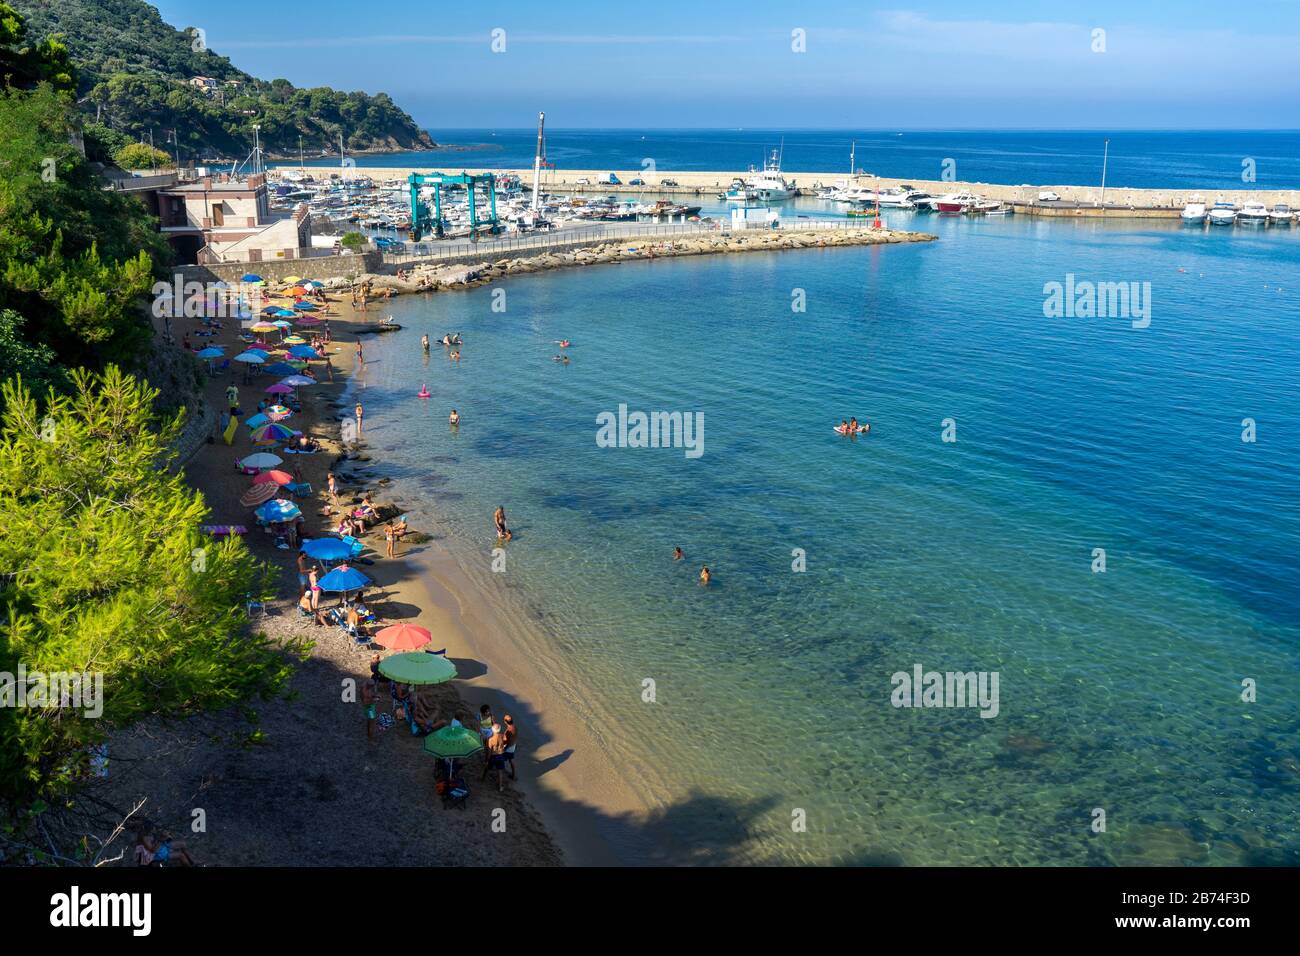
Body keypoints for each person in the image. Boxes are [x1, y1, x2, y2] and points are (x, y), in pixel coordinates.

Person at [482, 723, 508, 791]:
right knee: (500, 772)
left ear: (493, 730)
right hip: (501, 755)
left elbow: (489, 751)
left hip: (493, 756)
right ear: (499, 730)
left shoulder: (490, 739)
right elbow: (505, 742)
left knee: (487, 768)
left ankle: (482, 779)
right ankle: (500, 787)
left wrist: (487, 759)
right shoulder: (502, 736)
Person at [502, 713, 518, 781]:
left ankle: (501, 775)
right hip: (513, 746)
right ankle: (513, 775)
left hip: (509, 748)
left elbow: (508, 741)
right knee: (511, 761)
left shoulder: (508, 731)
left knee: (500, 760)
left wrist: (504, 748)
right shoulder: (515, 727)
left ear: (505, 722)